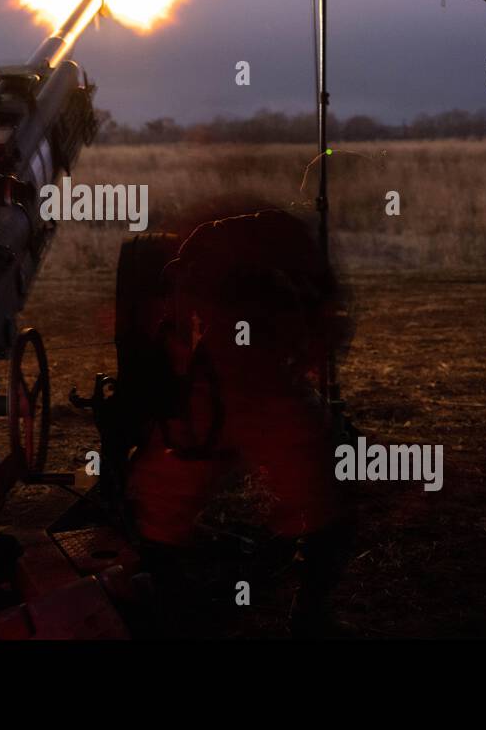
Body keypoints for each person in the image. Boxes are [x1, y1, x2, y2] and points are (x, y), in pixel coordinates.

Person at [125, 208, 354, 637]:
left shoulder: (241, 254)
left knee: (320, 498)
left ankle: (300, 611)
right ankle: (178, 605)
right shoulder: (229, 258)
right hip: (217, 394)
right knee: (164, 506)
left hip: (238, 394)